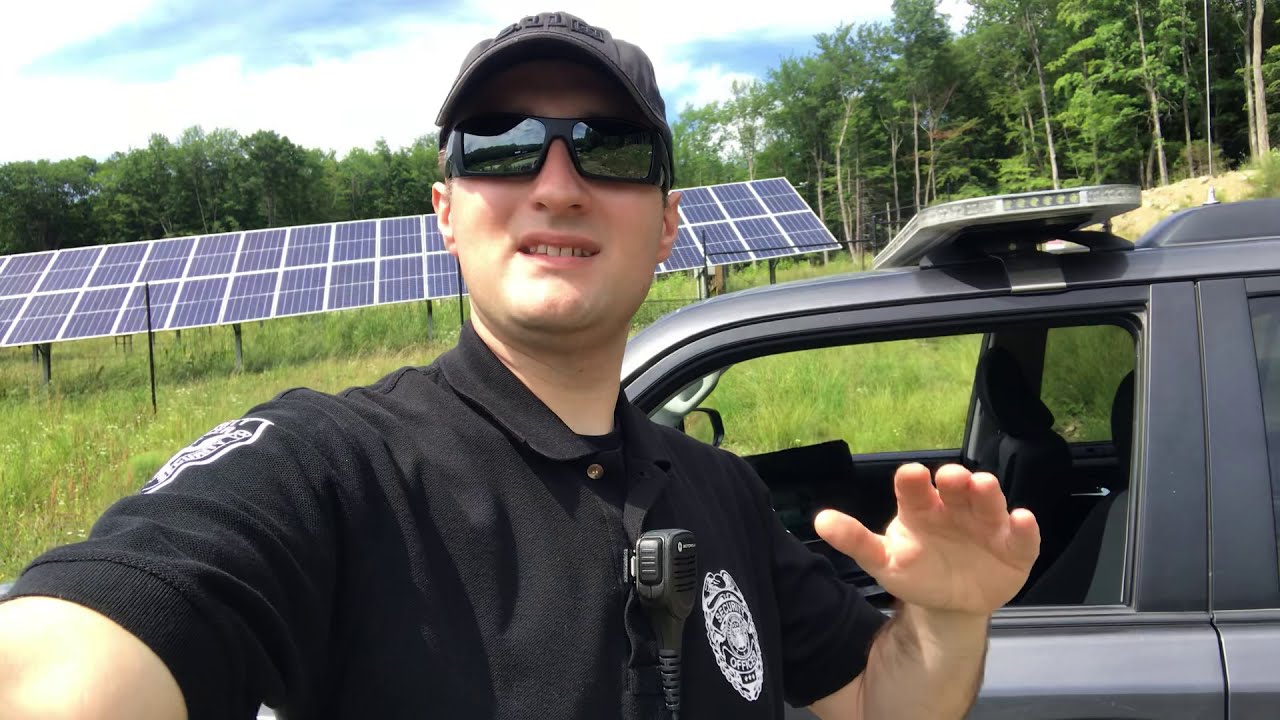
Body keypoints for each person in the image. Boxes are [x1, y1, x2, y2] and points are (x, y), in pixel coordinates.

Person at [0, 11, 1040, 720]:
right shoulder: (331, 466)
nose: (556, 183)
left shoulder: (718, 490)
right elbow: (87, 645)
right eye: (501, 144)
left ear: (669, 223)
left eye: (611, 148)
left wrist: (946, 618)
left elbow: (868, 704)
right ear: (445, 210)